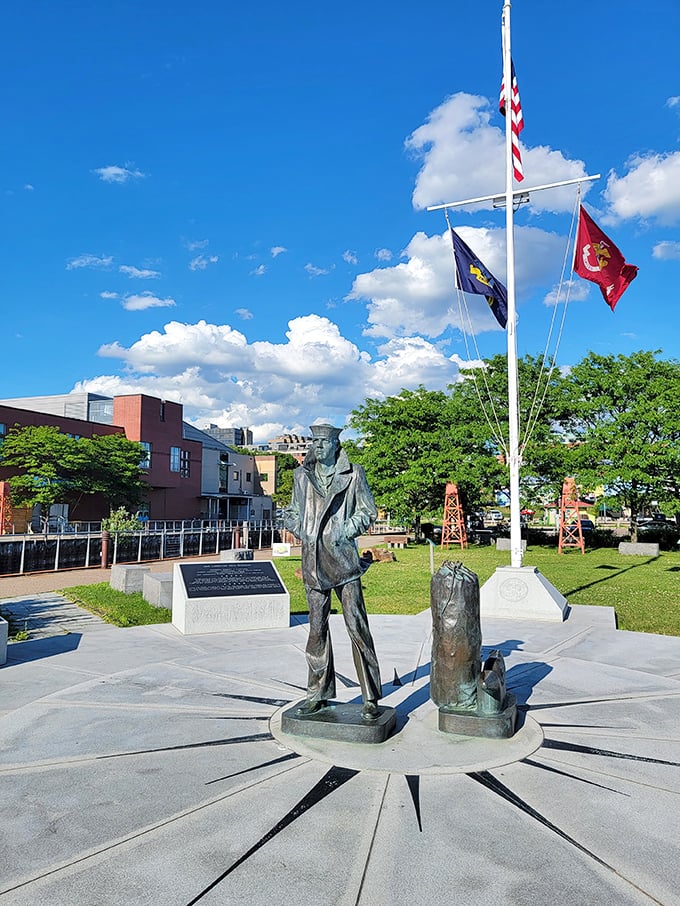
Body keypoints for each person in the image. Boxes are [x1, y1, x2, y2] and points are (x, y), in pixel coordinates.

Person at [284, 422, 383, 721]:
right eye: (314, 442)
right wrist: (300, 527)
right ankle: (317, 693)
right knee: (316, 631)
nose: (318, 446)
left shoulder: (353, 474)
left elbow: (367, 510)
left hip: (343, 562)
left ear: (336, 446)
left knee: (357, 626)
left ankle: (370, 695)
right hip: (313, 561)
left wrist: (345, 529)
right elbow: (293, 511)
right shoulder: (301, 476)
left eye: (324, 442)